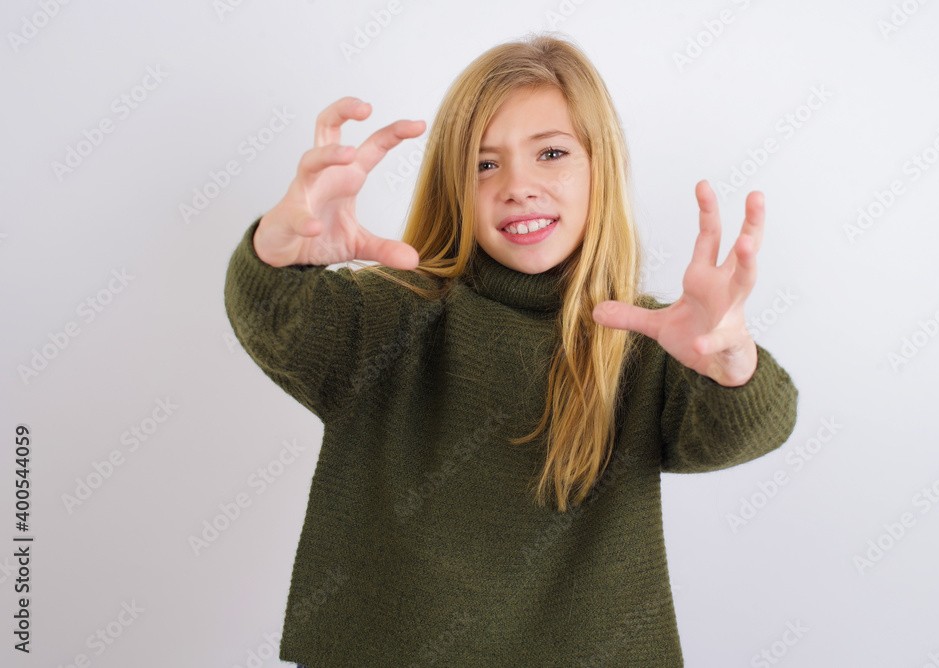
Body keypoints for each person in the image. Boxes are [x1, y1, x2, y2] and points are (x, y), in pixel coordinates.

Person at [225, 32, 798, 668]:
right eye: (484, 163)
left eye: (550, 153)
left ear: (599, 169)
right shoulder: (393, 314)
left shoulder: (647, 336)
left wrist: (731, 363)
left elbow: (744, 431)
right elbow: (278, 318)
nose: (518, 186)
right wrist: (277, 252)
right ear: (453, 187)